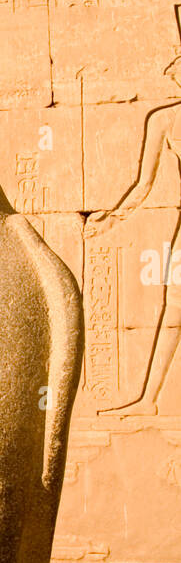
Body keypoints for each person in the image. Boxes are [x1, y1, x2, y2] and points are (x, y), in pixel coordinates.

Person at [86, 51, 181, 413]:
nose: (172, 71)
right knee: (174, 307)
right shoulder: (164, 119)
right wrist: (112, 219)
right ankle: (148, 400)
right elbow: (144, 184)